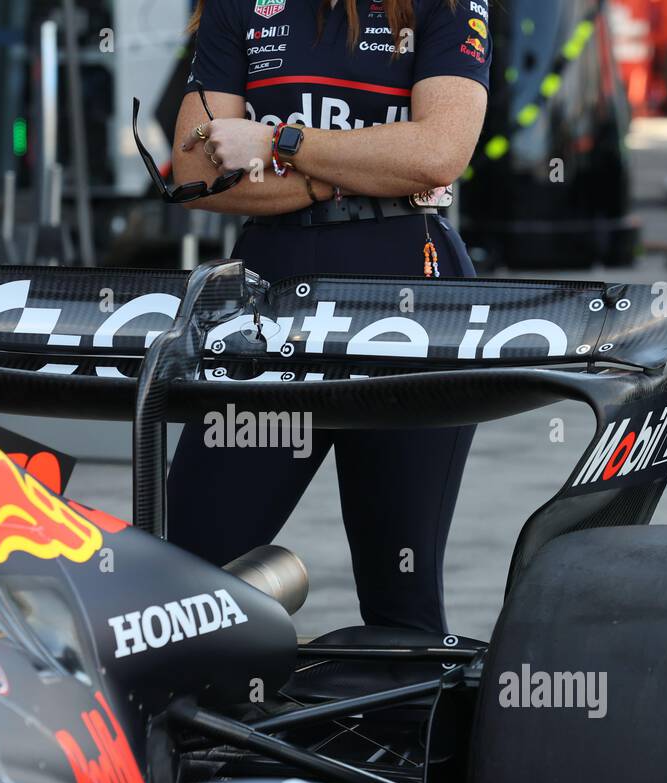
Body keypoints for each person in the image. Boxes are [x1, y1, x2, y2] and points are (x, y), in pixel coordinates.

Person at [165, 0, 491, 634]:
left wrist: (281, 143)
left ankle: (399, 732)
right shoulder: (240, 7)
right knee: (188, 572)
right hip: (266, 304)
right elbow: (198, 172)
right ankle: (204, 729)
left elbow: (436, 154)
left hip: (413, 304)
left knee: (400, 590)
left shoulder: (447, 5)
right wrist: (350, 176)